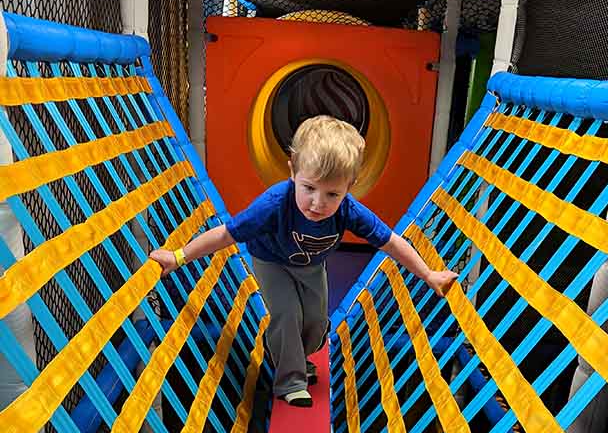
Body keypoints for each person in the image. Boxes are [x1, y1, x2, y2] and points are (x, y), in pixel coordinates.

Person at [150, 115, 457, 407]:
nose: (318, 203)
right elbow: (225, 235)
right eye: (309, 188)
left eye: (332, 194)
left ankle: (290, 354)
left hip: (311, 266)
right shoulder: (274, 204)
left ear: (350, 188)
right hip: (271, 261)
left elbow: (391, 242)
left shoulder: (349, 210)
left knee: (315, 323)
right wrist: (178, 257)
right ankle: (290, 382)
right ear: (292, 172)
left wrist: (429, 275)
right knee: (287, 314)